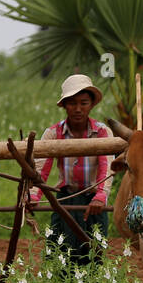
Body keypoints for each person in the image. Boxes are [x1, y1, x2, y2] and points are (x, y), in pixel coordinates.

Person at [30, 74, 112, 268]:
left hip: (93, 202)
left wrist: (101, 196)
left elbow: (106, 165)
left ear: (91, 104)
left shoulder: (102, 132)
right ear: (64, 105)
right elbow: (40, 169)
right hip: (65, 200)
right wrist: (33, 196)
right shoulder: (53, 133)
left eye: (83, 103)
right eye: (72, 103)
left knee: (94, 259)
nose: (78, 109)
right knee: (60, 256)